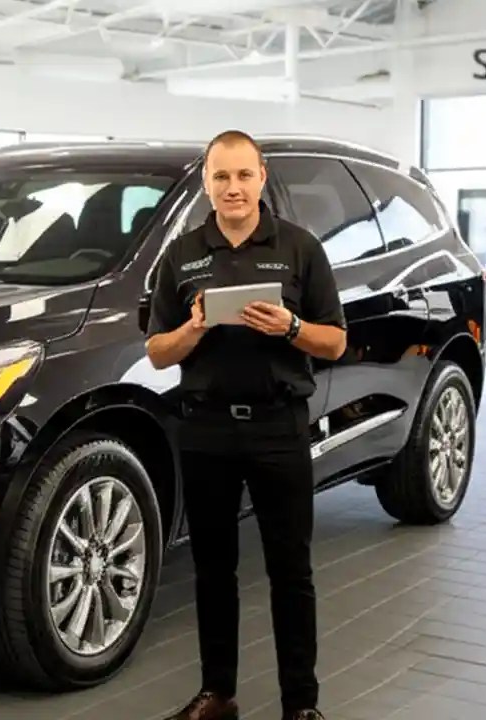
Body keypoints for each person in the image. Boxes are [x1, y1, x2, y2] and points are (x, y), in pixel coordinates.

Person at [145, 130, 347, 720]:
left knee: (292, 571)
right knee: (213, 571)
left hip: (278, 427)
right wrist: (195, 328)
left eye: (243, 175)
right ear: (206, 183)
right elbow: (158, 352)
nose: (232, 188)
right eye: (220, 177)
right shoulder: (182, 255)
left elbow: (334, 341)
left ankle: (301, 706)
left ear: (261, 178)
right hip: (206, 430)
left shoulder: (300, 248)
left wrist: (288, 327)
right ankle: (218, 695)